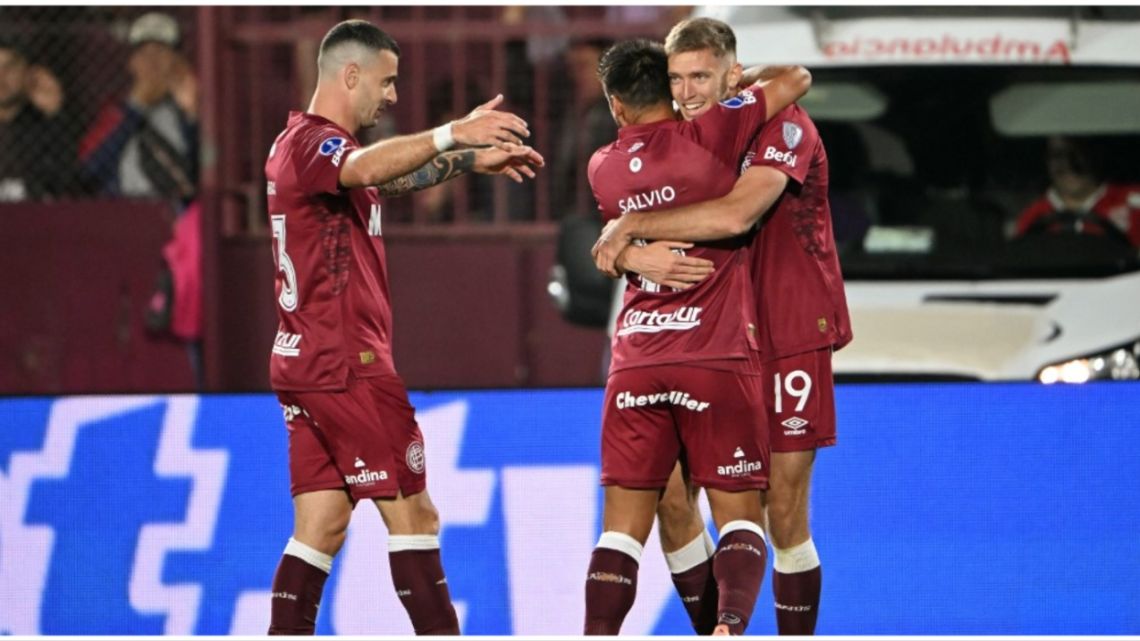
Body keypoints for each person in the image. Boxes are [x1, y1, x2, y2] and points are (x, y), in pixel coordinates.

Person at [263, 19, 542, 635]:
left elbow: (383, 175)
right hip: (346, 365)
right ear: (350, 74)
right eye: (387, 82)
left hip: (305, 363)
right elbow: (365, 168)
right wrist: (450, 132)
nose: (392, 96)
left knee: (320, 529)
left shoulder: (306, 150)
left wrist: (467, 159)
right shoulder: (317, 144)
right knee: (415, 516)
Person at [592, 17, 852, 636]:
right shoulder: (687, 135)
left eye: (701, 76)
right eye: (676, 78)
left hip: (786, 327)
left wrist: (630, 230)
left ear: (733, 76)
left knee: (782, 510)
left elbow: (737, 213)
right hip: (707, 334)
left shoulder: (782, 123)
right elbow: (624, 213)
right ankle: (717, 628)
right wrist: (625, 246)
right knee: (670, 500)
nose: (686, 92)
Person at [79, 12, 199, 205]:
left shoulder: (191, 110)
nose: (152, 62)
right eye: (144, 53)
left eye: (161, 52)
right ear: (131, 63)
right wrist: (135, 109)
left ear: (176, 61)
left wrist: (192, 117)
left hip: (178, 212)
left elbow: (202, 172)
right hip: (124, 212)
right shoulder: (114, 112)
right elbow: (89, 171)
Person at [1015, 135, 1140, 247]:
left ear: (1095, 155)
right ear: (1046, 161)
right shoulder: (1032, 217)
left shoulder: (1134, 202)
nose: (1068, 164)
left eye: (1077, 153)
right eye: (1058, 155)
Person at [0, 39, 72, 201]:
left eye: (10, 67)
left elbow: (69, 181)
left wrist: (55, 114)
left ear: (30, 74)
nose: (1, 76)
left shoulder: (46, 127)